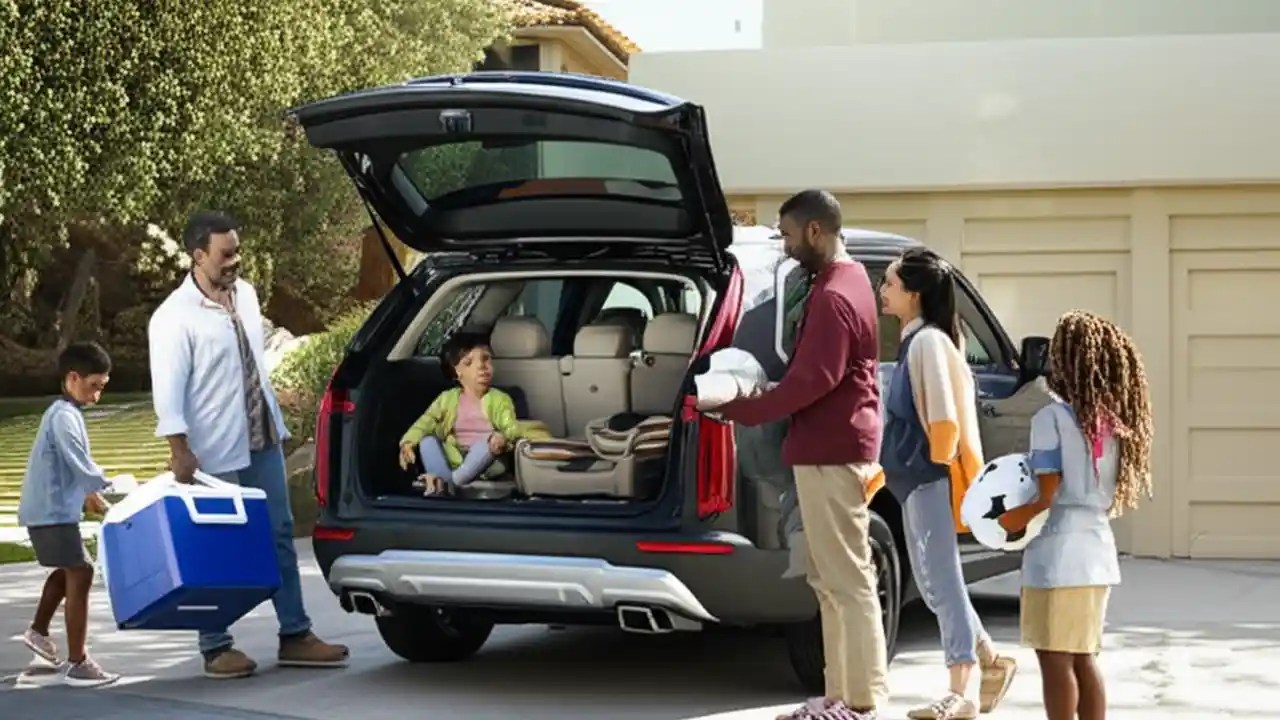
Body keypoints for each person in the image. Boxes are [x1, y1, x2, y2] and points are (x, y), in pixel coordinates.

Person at [148, 210, 349, 679]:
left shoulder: (248, 296)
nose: (235, 260)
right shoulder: (173, 318)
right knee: (218, 546)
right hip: (211, 451)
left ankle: (296, 634)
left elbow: (253, 367)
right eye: (226, 253)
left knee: (279, 533)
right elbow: (169, 394)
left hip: (261, 438)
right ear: (199, 256)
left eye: (237, 250)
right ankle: (216, 646)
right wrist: (179, 450)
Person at [715, 190, 888, 720]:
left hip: (833, 450)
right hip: (828, 445)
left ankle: (862, 700)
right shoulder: (850, 277)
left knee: (849, 579)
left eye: (788, 235)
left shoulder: (834, 295)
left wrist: (745, 410)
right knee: (830, 579)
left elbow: (815, 378)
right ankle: (838, 696)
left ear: (816, 230)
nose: (786, 246)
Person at [877, 247, 1016, 719]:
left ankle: (963, 689)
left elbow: (943, 422)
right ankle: (992, 661)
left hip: (929, 478)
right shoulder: (915, 340)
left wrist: (929, 465)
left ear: (913, 294)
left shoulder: (928, 344)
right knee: (935, 584)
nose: (883, 291)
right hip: (914, 479)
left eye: (890, 284)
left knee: (946, 582)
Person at [998, 310, 1153, 720]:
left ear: (1069, 360)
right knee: (1084, 657)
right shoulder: (1111, 424)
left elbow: (1047, 492)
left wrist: (1013, 518)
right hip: (1096, 552)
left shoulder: (1050, 418)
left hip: (1057, 553)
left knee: (1055, 661)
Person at [15, 341, 119, 687]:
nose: (96, 396)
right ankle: (78, 662)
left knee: (67, 570)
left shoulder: (65, 413)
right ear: (73, 378)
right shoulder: (63, 417)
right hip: (50, 512)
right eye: (94, 387)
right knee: (81, 571)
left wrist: (93, 499)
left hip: (51, 511)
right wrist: (115, 487)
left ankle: (39, 632)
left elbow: (72, 468)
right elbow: (80, 463)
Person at [398, 332, 540, 495]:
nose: (481, 366)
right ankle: (443, 480)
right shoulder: (447, 399)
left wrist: (502, 438)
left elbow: (512, 428)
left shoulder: (499, 399)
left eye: (486, 359)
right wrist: (408, 442)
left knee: (485, 443)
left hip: (487, 461)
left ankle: (451, 484)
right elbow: (427, 421)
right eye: (469, 362)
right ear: (457, 371)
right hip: (455, 456)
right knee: (427, 441)